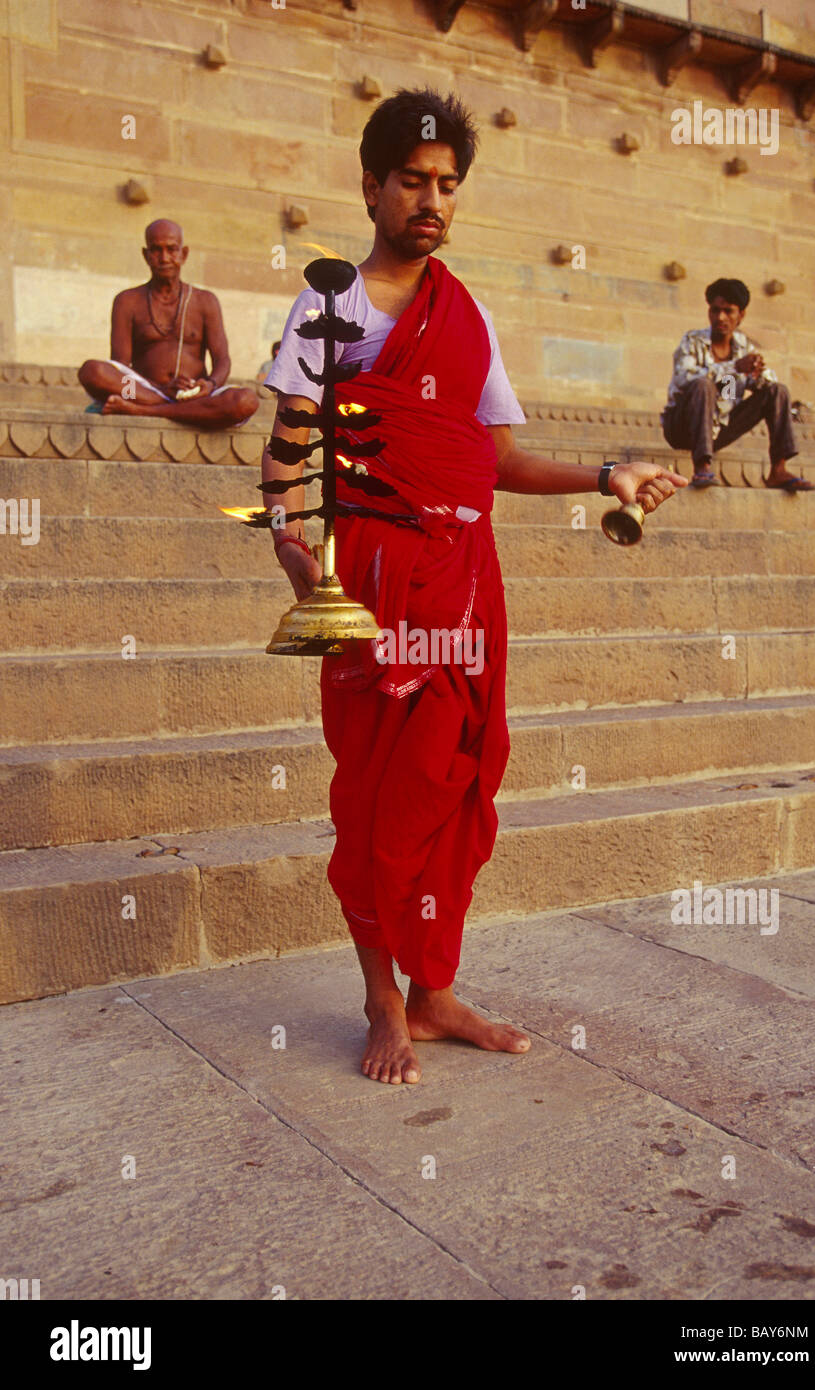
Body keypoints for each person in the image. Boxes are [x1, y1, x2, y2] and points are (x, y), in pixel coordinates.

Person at [261, 88, 687, 1086]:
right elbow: (286, 439)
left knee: (457, 775)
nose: (431, 199)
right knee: (376, 789)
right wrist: (288, 539)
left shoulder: (467, 313)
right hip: (372, 574)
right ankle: (380, 1000)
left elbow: (496, 458)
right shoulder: (332, 302)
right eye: (412, 180)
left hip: (465, 577)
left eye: (447, 183)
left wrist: (606, 474)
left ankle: (435, 988)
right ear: (371, 187)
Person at [78, 219, 258, 429]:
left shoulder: (205, 300)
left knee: (246, 401)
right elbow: (121, 366)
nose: (164, 258)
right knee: (91, 371)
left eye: (171, 249)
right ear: (146, 255)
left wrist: (209, 385)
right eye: (156, 250)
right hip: (148, 391)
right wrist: (162, 389)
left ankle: (143, 411)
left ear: (184, 254)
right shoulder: (127, 301)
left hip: (196, 394)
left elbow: (223, 360)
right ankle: (184, 411)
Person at [661, 277, 812, 490]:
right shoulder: (692, 341)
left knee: (778, 390)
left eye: (728, 311)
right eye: (715, 310)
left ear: (740, 315)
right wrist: (734, 367)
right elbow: (684, 378)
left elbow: (763, 385)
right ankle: (702, 466)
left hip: (720, 428)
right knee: (703, 385)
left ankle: (778, 469)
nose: (720, 317)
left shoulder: (743, 347)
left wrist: (758, 373)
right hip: (681, 427)